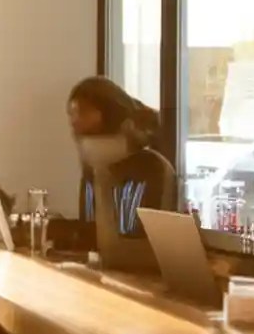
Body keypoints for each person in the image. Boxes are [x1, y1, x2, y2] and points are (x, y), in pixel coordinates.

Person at [66, 77, 177, 263]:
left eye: (82, 112)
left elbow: (145, 252)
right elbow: (89, 238)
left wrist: (102, 181)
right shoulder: (92, 172)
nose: (74, 122)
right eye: (72, 114)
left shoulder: (153, 170)